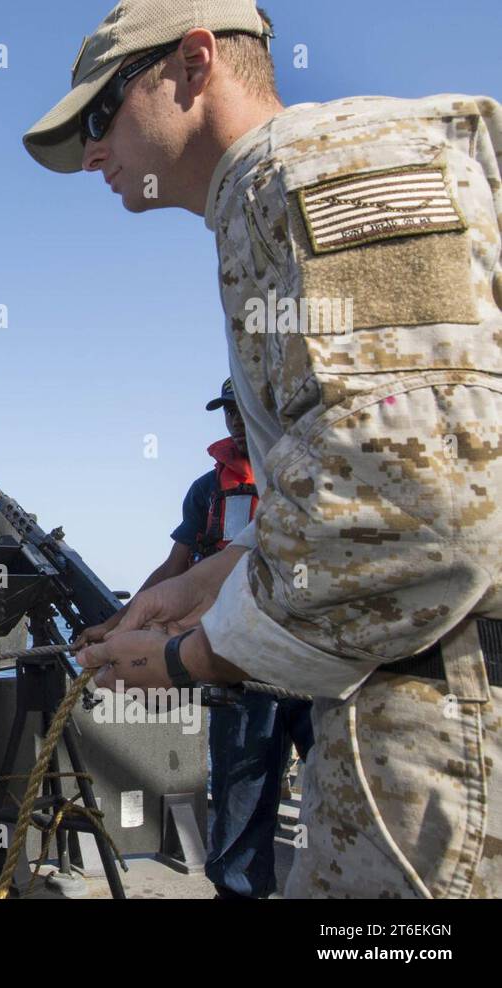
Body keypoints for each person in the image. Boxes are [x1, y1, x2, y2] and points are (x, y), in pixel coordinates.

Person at [28, 0, 502, 897]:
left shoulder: (325, 172)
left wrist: (191, 657)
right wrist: (202, 583)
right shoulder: (261, 196)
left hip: (448, 750)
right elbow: (371, 468)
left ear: (194, 62)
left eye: (100, 116)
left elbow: (424, 513)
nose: (92, 153)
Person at [79, 378, 313, 897]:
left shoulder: (311, 473)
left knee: (333, 783)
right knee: (239, 791)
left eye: (241, 407)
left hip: (317, 661)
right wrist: (121, 622)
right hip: (237, 661)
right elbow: (178, 566)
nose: (234, 418)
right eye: (227, 409)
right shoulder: (207, 491)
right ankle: (237, 890)